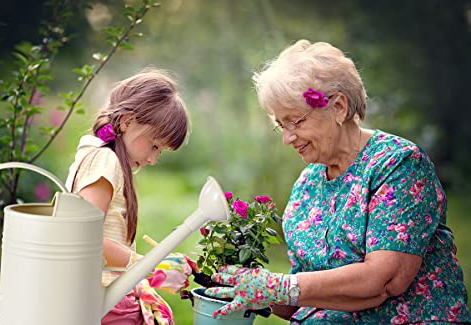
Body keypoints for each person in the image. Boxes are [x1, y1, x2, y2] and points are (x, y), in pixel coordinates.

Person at [205, 40, 471, 324]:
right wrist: (241, 285)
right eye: (281, 126)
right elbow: (300, 297)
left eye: (295, 122)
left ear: (338, 107)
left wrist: (279, 286)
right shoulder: (307, 184)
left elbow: (384, 280)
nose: (287, 138)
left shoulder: (397, 164)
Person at [65, 68, 194, 325]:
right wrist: (147, 266)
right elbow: (84, 239)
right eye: (154, 145)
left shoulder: (102, 158)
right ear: (126, 121)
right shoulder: (105, 160)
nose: (153, 159)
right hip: (101, 301)